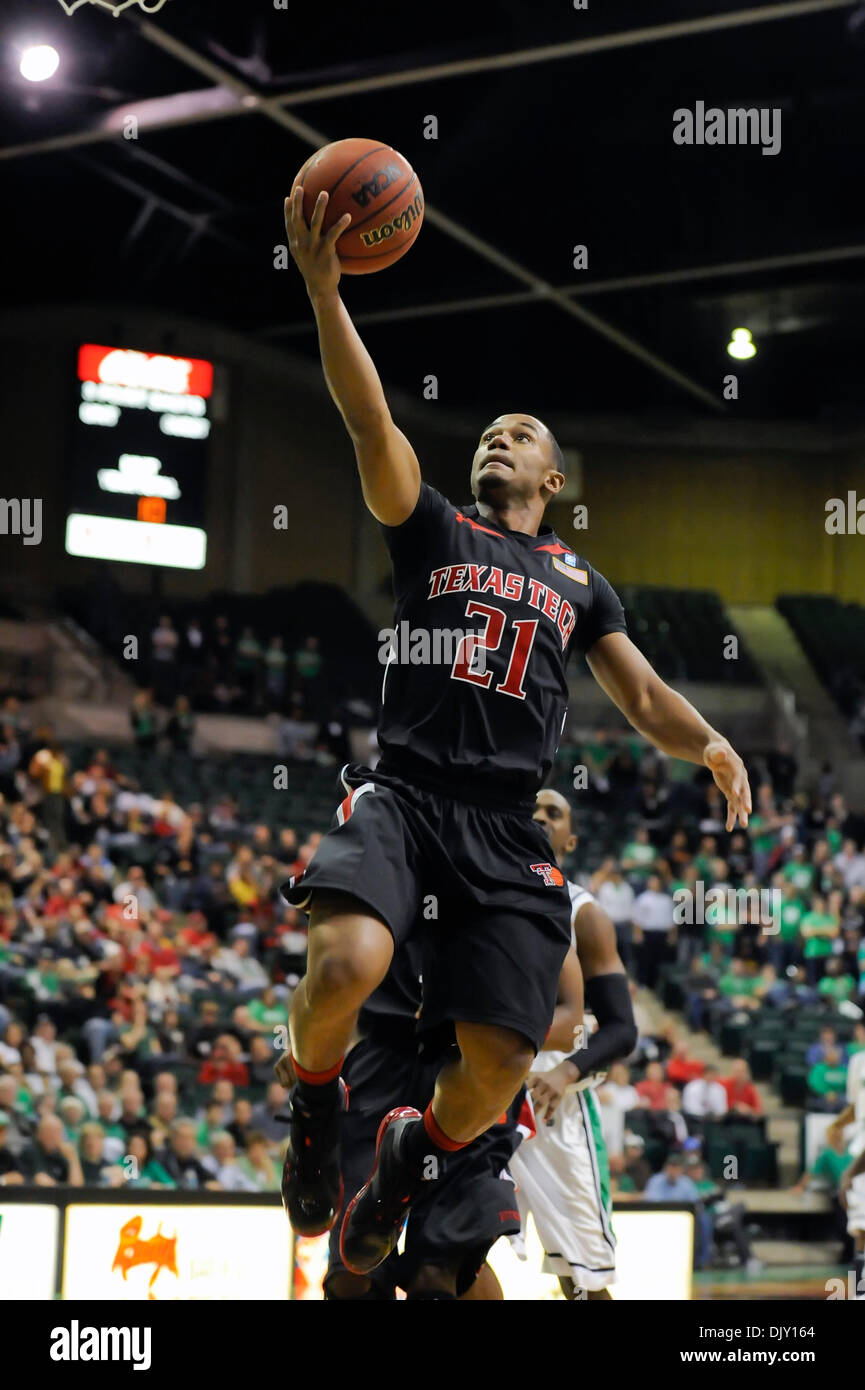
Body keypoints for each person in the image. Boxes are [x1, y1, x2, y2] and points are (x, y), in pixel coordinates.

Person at [279, 181, 752, 1272]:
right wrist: (325, 294)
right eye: (489, 430)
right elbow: (368, 417)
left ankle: (404, 1163)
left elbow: (638, 698)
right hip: (406, 796)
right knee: (345, 960)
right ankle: (315, 1107)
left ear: (553, 478)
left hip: (502, 829)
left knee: (495, 1065)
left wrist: (709, 742)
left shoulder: (578, 580)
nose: (499, 437)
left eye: (521, 434)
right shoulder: (431, 526)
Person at [509, 790, 637, 1300]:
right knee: (449, 1249)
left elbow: (622, 1029)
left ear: (570, 837)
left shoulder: (585, 913)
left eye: (554, 813)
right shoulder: (473, 895)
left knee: (580, 1279)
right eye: (531, 808)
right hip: (479, 1087)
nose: (539, 816)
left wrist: (566, 1074)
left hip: (553, 1103)